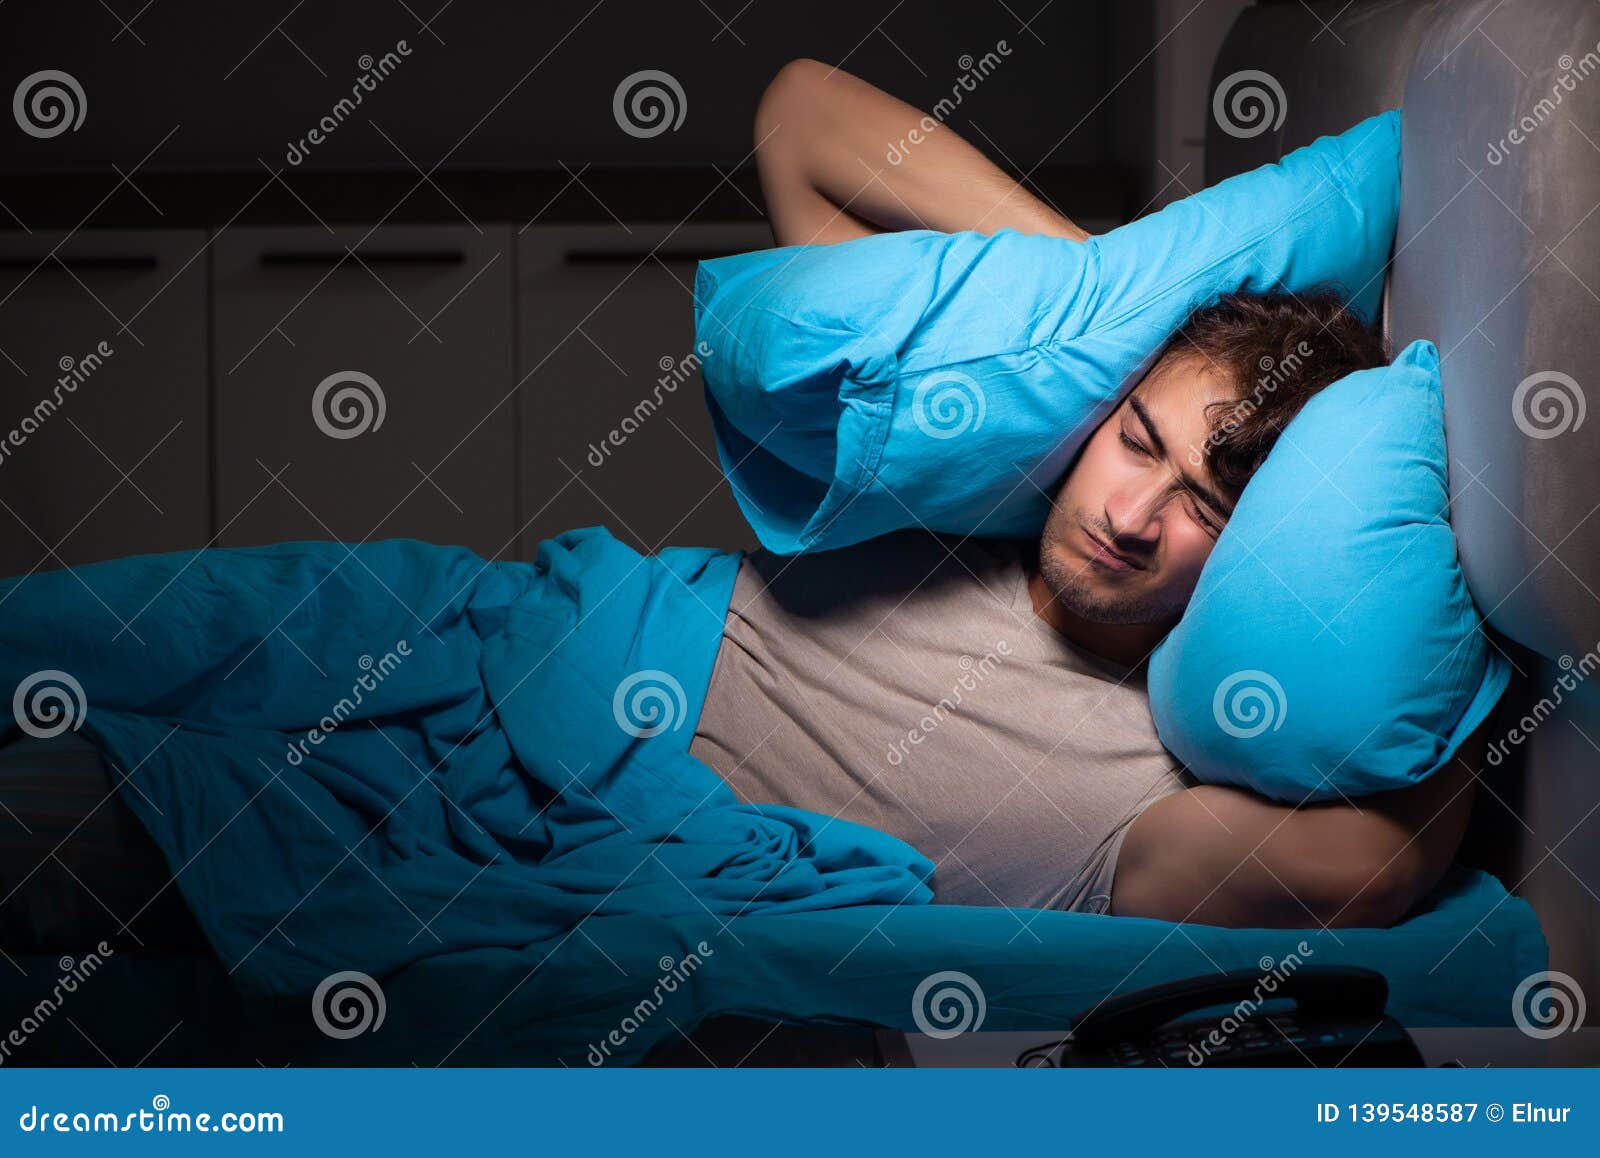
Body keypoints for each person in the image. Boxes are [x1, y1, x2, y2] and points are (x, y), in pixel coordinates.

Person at [688, 60, 1489, 928]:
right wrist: (1104, 301)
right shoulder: (956, 486)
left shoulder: (1140, 784)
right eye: (1136, 441)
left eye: (1204, 509)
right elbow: (803, 117)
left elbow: (1371, 872)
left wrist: (1443, 630)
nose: (1129, 517)